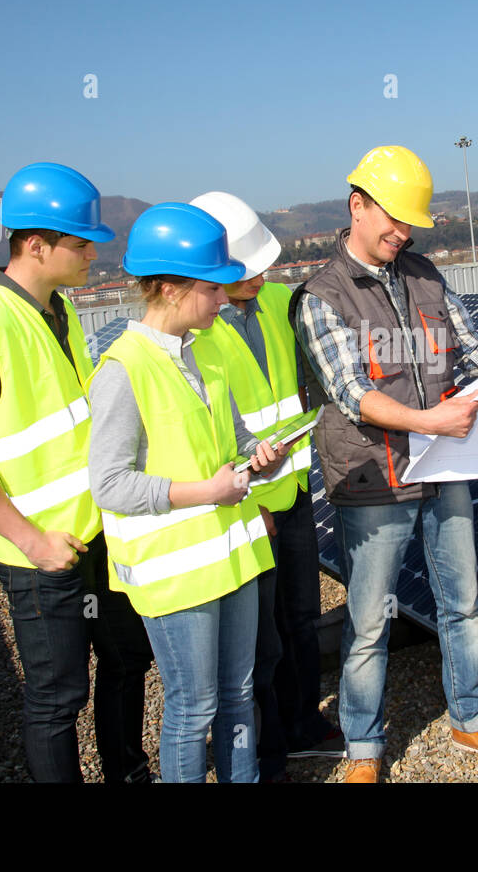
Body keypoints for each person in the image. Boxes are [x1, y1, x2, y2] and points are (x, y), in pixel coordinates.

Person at [290, 145, 478, 782]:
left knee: (463, 601)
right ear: (356, 206)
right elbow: (351, 394)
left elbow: (472, 353)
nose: (404, 232)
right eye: (394, 219)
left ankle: (471, 718)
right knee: (368, 624)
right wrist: (429, 422)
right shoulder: (321, 295)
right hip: (372, 477)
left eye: (412, 222)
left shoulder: (424, 275)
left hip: (443, 464)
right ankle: (363, 748)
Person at [0, 162, 154, 783]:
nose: (92, 257)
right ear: (36, 245)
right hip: (40, 551)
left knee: (129, 657)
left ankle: (127, 771)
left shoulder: (57, 312)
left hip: (91, 534)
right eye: (81, 245)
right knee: (57, 699)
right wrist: (32, 541)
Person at [86, 202, 283, 783]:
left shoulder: (204, 353)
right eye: (211, 287)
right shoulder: (122, 369)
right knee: (192, 709)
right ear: (170, 288)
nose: (225, 298)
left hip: (234, 559)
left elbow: (236, 438)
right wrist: (207, 491)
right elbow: (110, 483)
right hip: (177, 577)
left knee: (239, 694)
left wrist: (261, 456)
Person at [190, 191, 344, 782]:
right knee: (259, 640)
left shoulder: (282, 301)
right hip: (244, 502)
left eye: (264, 265)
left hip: (293, 490)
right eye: (246, 268)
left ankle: (305, 722)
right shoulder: (199, 328)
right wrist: (248, 499)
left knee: (302, 617)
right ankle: (265, 745)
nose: (261, 276)